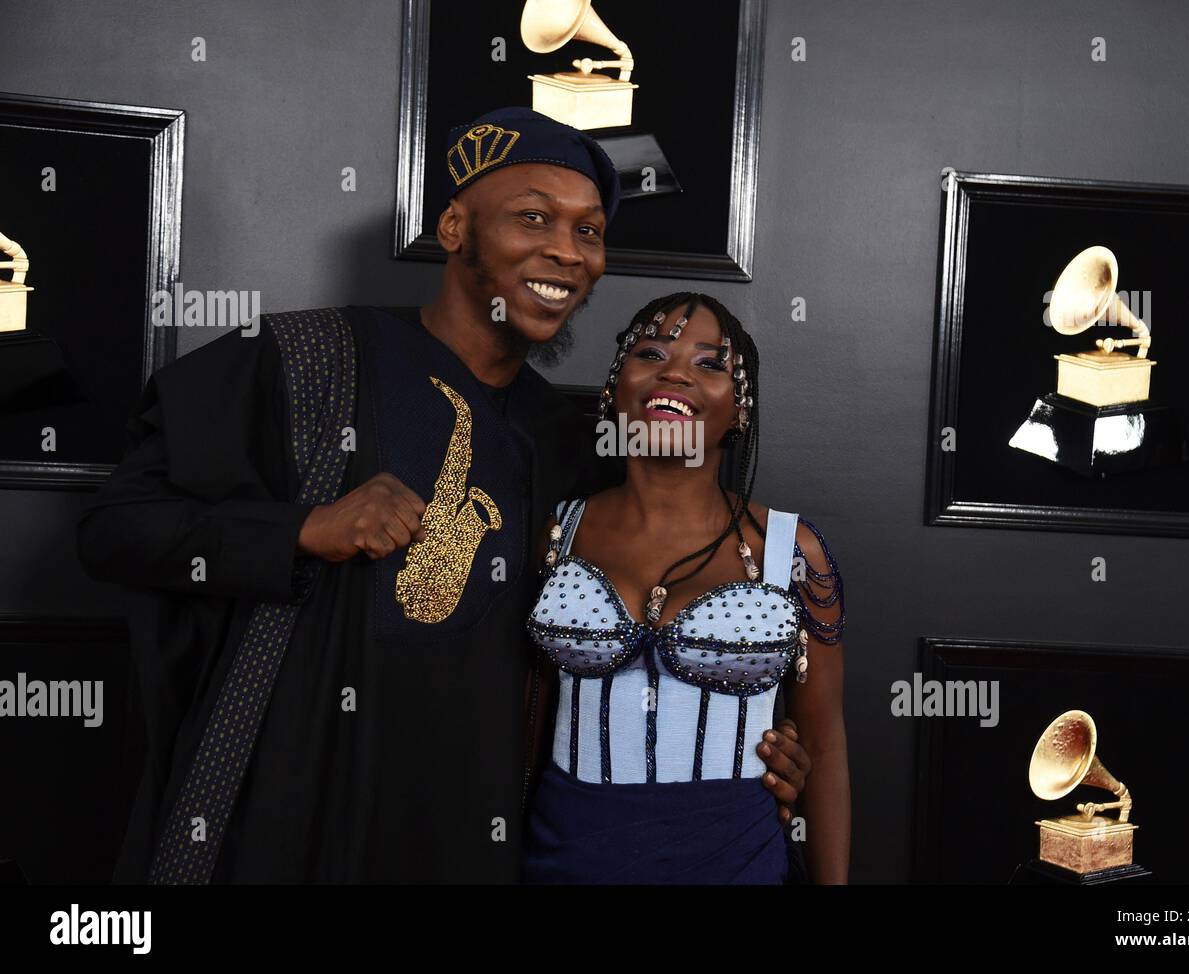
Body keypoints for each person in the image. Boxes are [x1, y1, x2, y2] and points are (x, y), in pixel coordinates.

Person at [76, 107, 810, 883]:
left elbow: (633, 637)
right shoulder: (306, 361)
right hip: (303, 807)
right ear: (456, 227)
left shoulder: (573, 444)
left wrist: (757, 747)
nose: (566, 250)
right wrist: (301, 529)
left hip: (476, 830)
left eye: (589, 232)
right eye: (534, 217)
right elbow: (114, 529)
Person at [523, 292, 850, 884]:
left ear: (740, 409)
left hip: (731, 858)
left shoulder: (791, 550)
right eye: (651, 352)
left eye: (710, 363)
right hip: (568, 852)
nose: (674, 372)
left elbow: (823, 748)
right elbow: (527, 715)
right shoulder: (560, 529)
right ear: (614, 386)